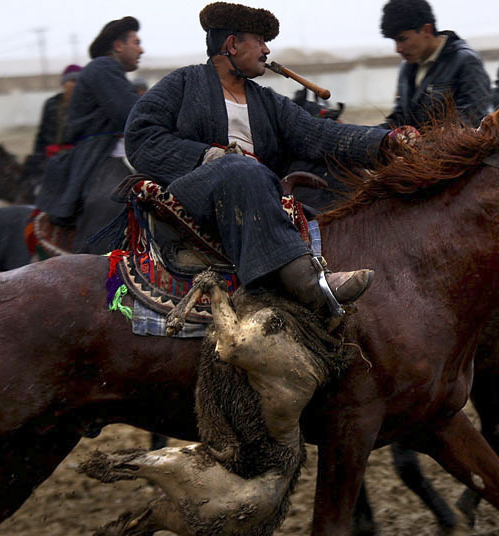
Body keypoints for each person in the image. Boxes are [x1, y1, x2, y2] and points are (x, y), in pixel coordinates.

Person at [126, 2, 394, 315]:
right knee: (240, 168)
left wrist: (385, 142)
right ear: (232, 45)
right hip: (198, 194)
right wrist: (207, 156)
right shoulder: (183, 84)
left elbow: (318, 134)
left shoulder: (265, 100)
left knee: (336, 175)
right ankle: (307, 283)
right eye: (260, 41)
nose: (267, 50)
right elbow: (140, 136)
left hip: (257, 193)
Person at [36, 16, 143, 228]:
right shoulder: (102, 67)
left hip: (104, 151)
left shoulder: (109, 71)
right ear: (119, 45)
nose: (142, 50)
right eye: (136, 43)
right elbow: (132, 112)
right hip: (97, 154)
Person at [380, 0, 492, 128]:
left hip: (450, 148)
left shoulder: (465, 62)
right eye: (395, 41)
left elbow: (472, 121)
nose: (398, 49)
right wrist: (370, 136)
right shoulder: (407, 67)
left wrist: (422, 144)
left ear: (427, 30)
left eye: (402, 39)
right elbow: (399, 119)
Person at [30, 64, 82, 163]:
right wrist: (38, 157)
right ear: (63, 83)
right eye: (72, 81)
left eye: (78, 81)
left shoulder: (85, 105)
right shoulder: (51, 104)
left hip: (76, 158)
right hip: (51, 157)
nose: (75, 85)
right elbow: (42, 134)